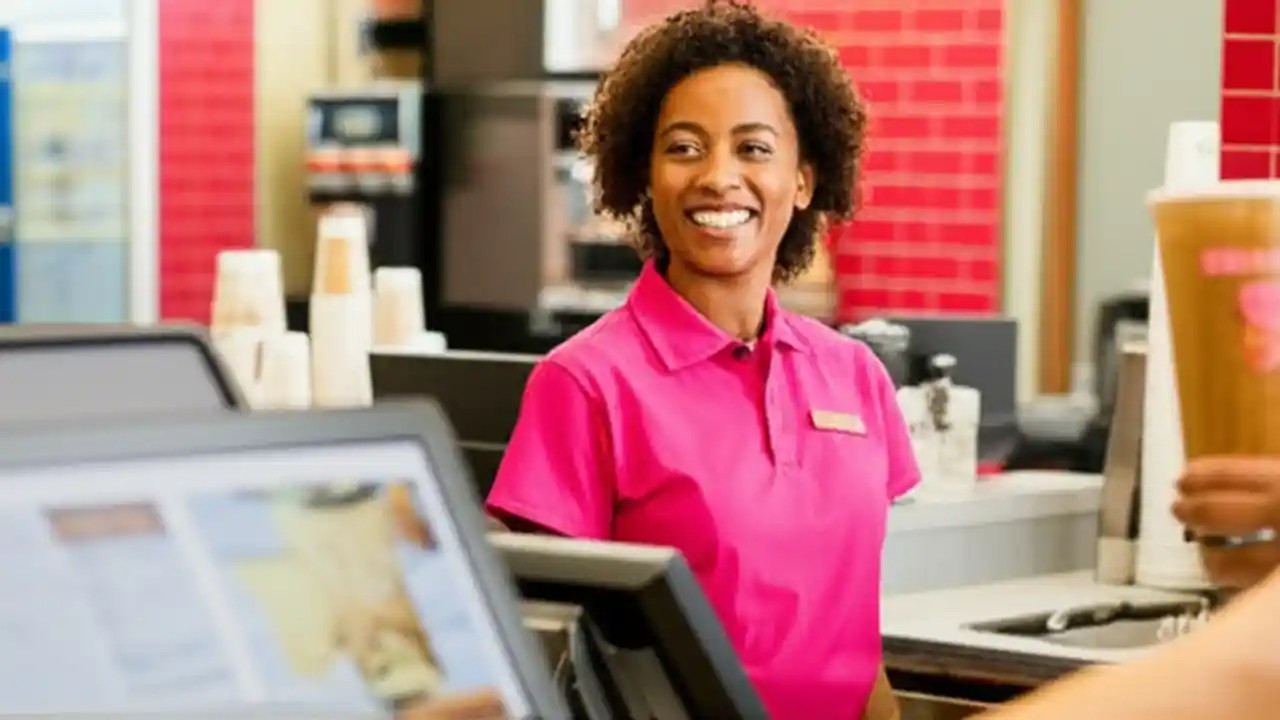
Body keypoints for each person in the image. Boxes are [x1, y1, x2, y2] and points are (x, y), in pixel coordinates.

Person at [484, 3, 916, 719]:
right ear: (644, 175)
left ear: (803, 180)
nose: (719, 176)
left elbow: (855, 651)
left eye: (753, 148)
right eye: (684, 148)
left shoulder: (855, 377)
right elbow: (545, 652)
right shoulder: (587, 383)